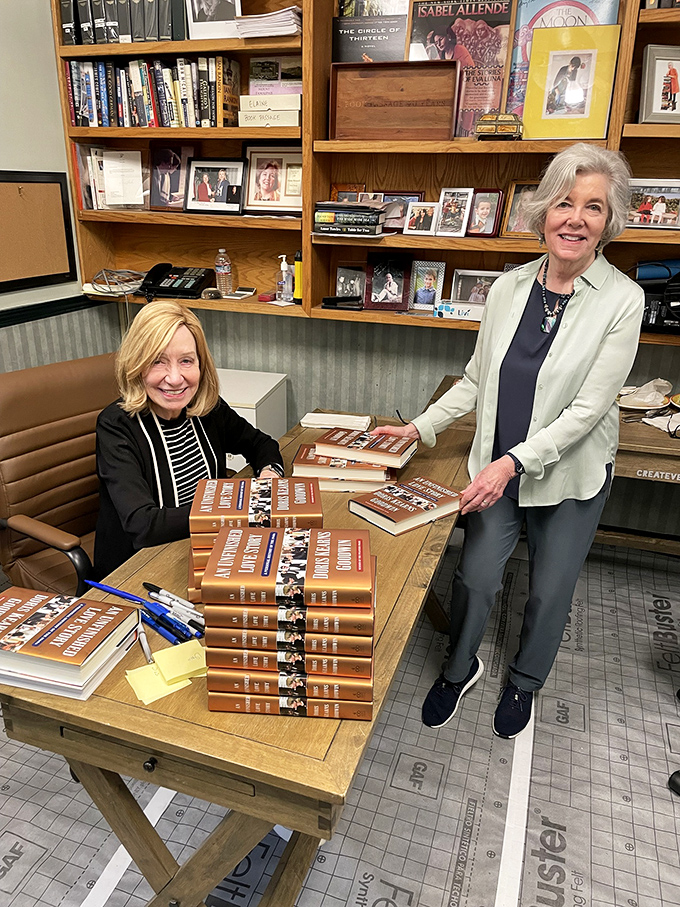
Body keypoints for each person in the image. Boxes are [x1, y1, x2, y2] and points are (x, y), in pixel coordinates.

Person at [370, 143, 644, 740]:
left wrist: (509, 466)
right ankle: (459, 666)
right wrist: (420, 426)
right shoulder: (508, 288)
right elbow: (476, 380)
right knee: (474, 578)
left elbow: (587, 410)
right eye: (564, 203)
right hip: (497, 467)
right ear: (544, 211)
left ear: (608, 221)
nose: (575, 218)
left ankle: (523, 680)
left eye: (592, 207)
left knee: (549, 594)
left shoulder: (623, 300)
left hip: (568, 476)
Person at [94, 302, 284, 578]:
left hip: (208, 551)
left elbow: (261, 444)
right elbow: (142, 524)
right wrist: (236, 510)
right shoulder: (116, 425)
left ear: (200, 364)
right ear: (137, 365)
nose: (175, 378)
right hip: (138, 570)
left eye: (186, 361)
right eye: (158, 361)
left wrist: (269, 474)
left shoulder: (206, 408)